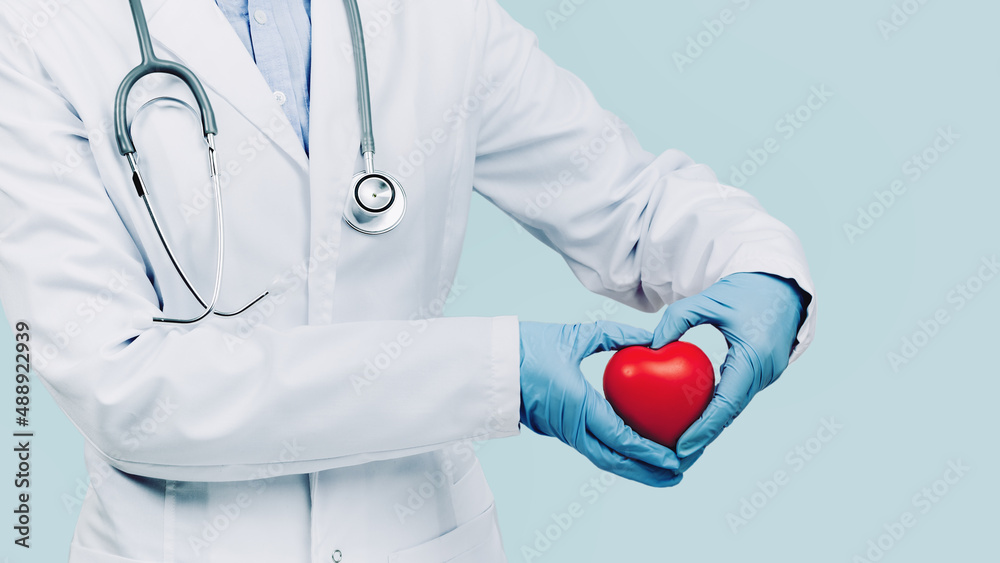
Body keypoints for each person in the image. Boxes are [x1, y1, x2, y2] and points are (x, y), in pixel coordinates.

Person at [0, 0, 815, 561]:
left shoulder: (435, 15)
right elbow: (126, 386)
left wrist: (761, 270)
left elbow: (629, 204)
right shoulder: (39, 32)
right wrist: (501, 372)